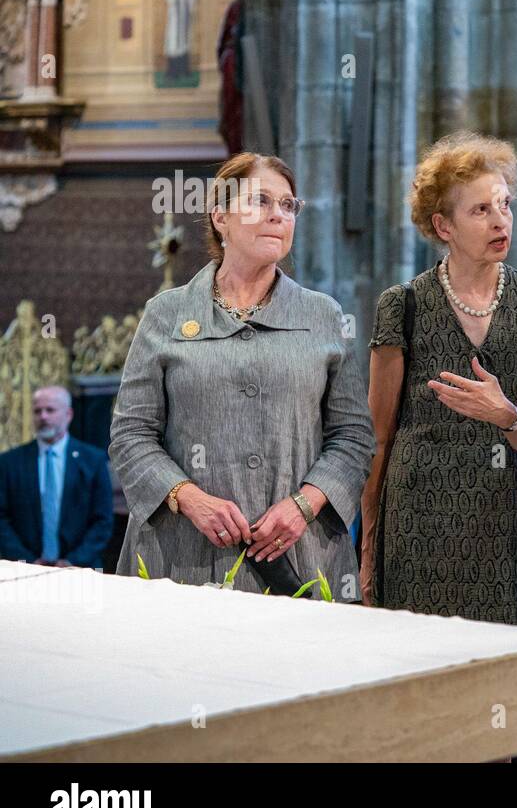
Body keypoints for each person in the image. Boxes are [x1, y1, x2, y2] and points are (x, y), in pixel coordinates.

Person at [110, 152, 374, 595]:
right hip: (182, 558)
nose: (278, 215)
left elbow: (353, 437)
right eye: (261, 201)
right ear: (221, 218)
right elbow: (131, 433)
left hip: (299, 557)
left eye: (288, 206)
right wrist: (189, 499)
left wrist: (302, 507)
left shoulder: (322, 315)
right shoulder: (167, 314)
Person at [361, 131, 517, 627]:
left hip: (501, 522)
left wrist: (506, 415)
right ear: (444, 225)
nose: (501, 220)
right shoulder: (402, 305)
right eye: (480, 210)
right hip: (416, 521)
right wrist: (368, 544)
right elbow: (378, 438)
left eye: (504, 205)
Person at [0, 386, 113, 567]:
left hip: (80, 570)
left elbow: (103, 521)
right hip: (25, 569)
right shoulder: (10, 462)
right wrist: (28, 561)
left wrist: (72, 561)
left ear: (68, 414)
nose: (43, 416)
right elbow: (2, 520)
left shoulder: (93, 461)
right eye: (38, 411)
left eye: (50, 410)